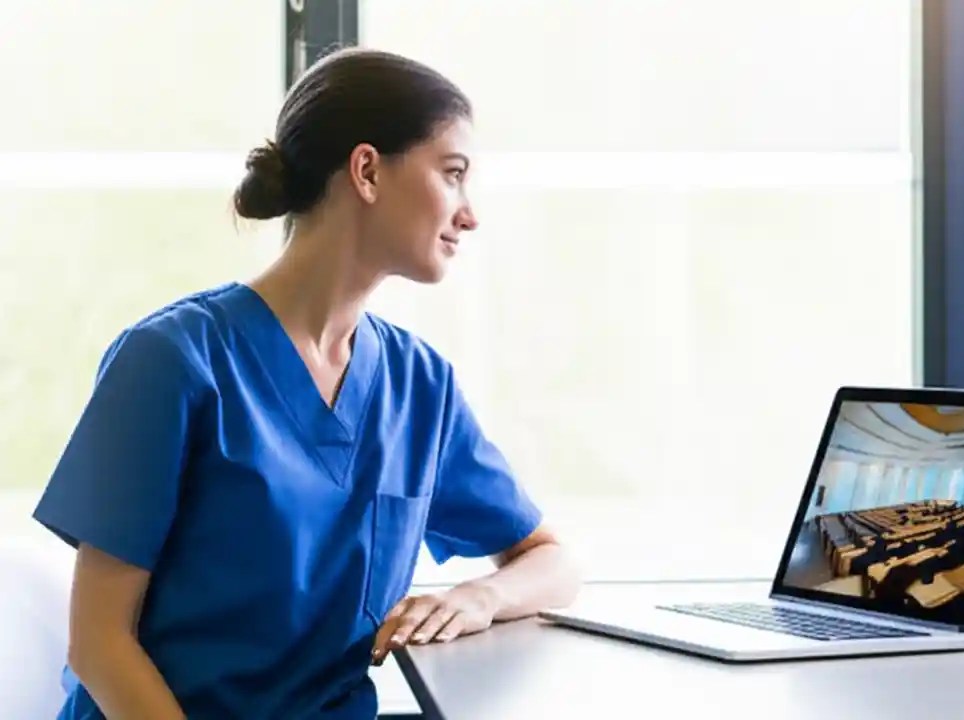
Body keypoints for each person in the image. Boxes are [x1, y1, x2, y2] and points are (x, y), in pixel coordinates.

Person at [32, 47, 581, 719]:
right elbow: (99, 645)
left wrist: (478, 597)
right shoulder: (170, 362)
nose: (470, 214)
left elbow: (551, 562)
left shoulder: (420, 386)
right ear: (368, 171)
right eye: (453, 174)